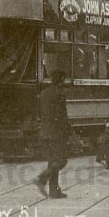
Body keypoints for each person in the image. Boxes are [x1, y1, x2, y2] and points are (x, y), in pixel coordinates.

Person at [35, 70, 71, 199]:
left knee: (52, 161)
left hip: (45, 131)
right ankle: (42, 178)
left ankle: (54, 191)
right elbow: (62, 115)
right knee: (61, 160)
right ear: (61, 79)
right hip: (57, 132)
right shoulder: (60, 93)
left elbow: (39, 113)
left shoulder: (43, 93)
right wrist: (69, 131)